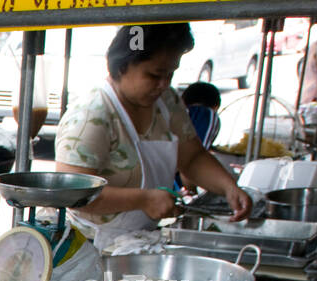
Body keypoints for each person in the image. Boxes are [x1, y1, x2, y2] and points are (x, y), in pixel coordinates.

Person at [55, 22, 252, 251]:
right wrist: (144, 199)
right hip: (85, 246)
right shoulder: (92, 115)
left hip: (139, 240)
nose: (163, 84)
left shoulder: (167, 102)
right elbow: (72, 193)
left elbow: (192, 158)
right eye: (154, 75)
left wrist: (228, 187)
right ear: (122, 67)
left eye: (170, 74)